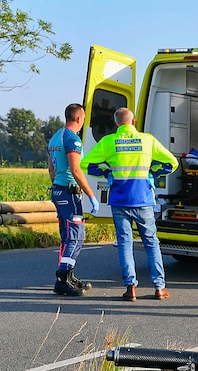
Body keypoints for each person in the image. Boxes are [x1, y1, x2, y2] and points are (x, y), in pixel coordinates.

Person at [80, 108, 177, 301]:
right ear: (133, 122)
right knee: (151, 243)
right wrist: (154, 173)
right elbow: (171, 163)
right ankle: (159, 288)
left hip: (119, 200)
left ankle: (131, 287)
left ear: (116, 124)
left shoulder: (108, 142)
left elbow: (86, 164)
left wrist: (107, 173)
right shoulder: (147, 140)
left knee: (125, 244)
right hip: (143, 200)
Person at [46, 103, 97, 297]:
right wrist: (91, 195)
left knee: (67, 235)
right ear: (78, 118)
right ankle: (63, 278)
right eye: (83, 118)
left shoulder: (54, 138)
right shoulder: (72, 139)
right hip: (69, 192)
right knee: (76, 236)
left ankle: (69, 275)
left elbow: (51, 169)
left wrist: (57, 187)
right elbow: (75, 170)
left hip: (58, 190)